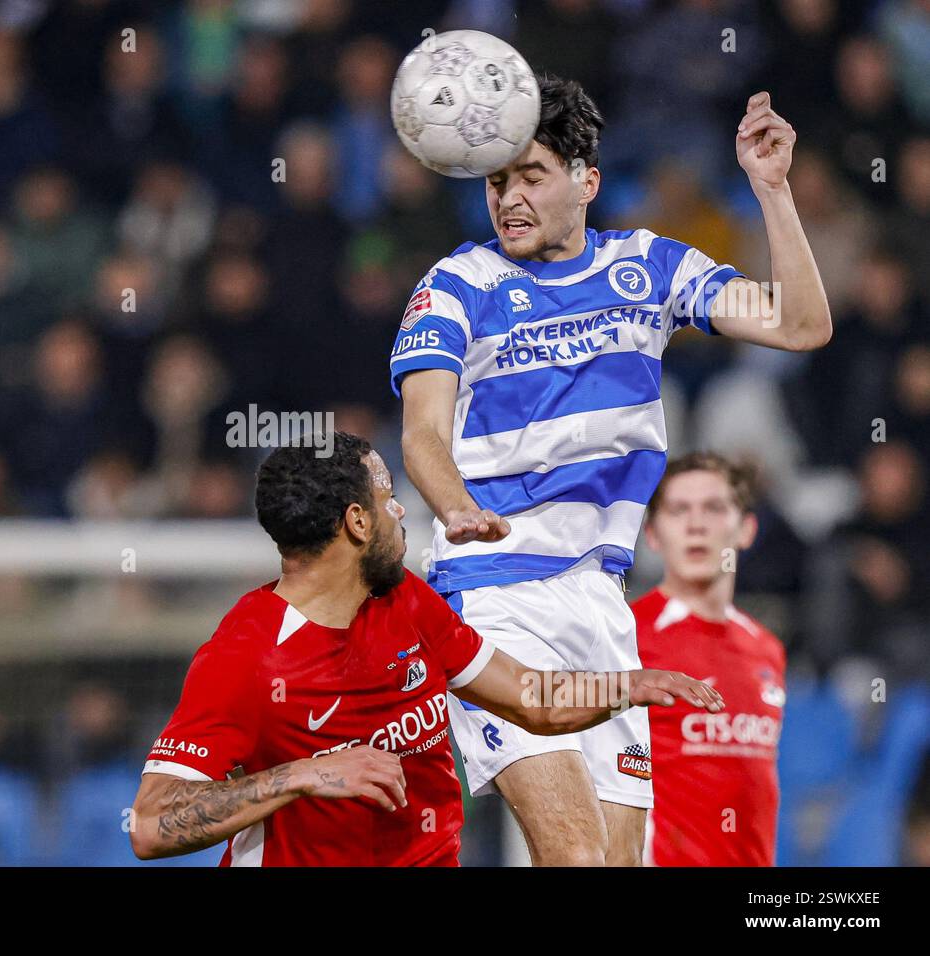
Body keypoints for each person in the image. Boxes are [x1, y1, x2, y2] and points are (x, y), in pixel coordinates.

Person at [393, 75, 828, 865]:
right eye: (497, 182)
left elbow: (800, 326)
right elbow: (422, 432)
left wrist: (771, 192)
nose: (509, 199)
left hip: (601, 602)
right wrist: (454, 505)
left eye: (531, 176)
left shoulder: (648, 267)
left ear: (588, 180)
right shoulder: (458, 285)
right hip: (495, 593)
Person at [129, 433, 721, 866]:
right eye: (388, 498)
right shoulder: (246, 656)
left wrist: (625, 687)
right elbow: (152, 826)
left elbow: (527, 698)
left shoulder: (404, 600)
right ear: (357, 522)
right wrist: (305, 775)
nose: (401, 510)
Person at [632, 452, 785, 866]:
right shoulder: (626, 636)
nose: (696, 524)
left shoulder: (767, 648)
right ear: (652, 534)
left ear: (747, 529)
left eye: (714, 508)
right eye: (679, 510)